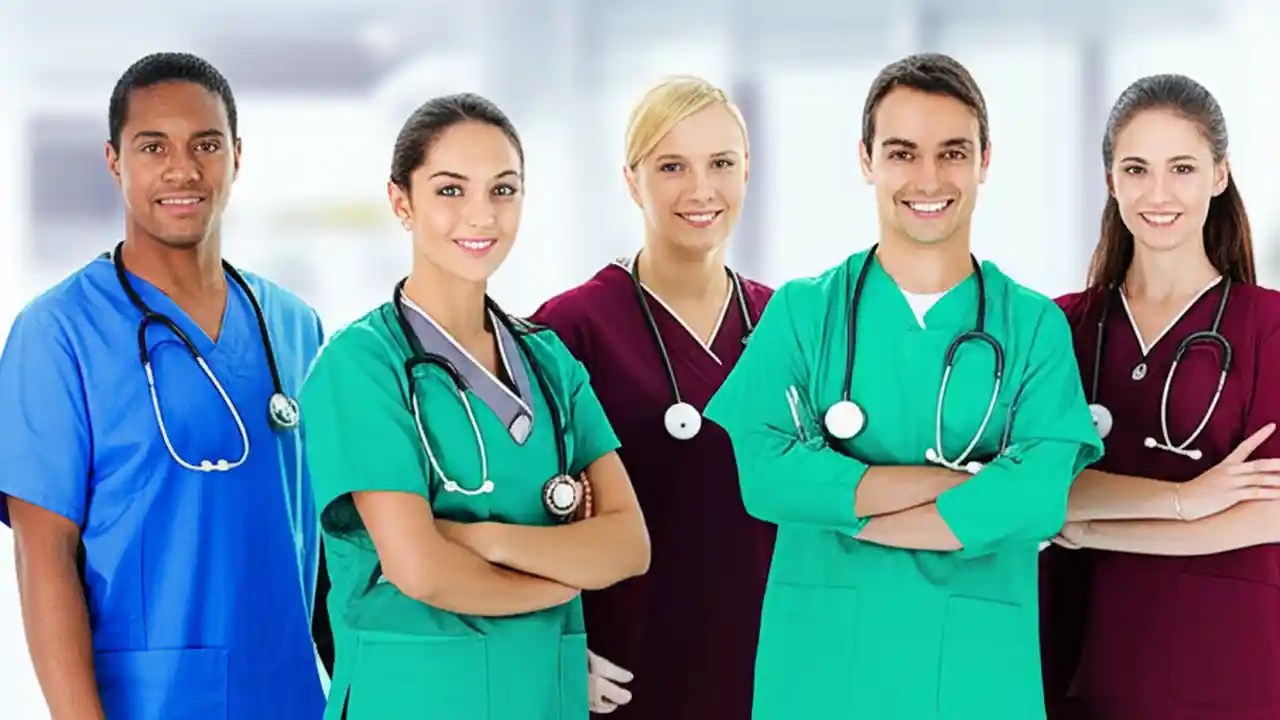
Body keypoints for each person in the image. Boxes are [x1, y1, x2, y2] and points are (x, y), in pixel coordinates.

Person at [703, 52, 1105, 720]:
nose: (927, 177)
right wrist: (965, 489)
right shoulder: (805, 312)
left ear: (984, 161)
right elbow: (766, 478)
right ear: (866, 161)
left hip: (975, 676)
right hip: (823, 673)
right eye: (901, 152)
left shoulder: (1033, 326)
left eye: (952, 152)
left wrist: (846, 512)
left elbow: (1036, 501)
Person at [299, 92, 651, 720]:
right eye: (450, 190)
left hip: (543, 695)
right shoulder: (360, 365)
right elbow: (421, 570)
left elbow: (627, 546)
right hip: (415, 697)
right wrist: (565, 576)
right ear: (401, 202)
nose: (481, 215)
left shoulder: (549, 363)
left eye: (503, 189)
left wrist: (474, 536)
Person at [0, 53, 326, 720]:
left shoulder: (294, 325)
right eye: (154, 147)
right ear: (115, 160)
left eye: (205, 144)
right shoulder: (58, 333)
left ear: (236, 156)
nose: (184, 169)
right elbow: (43, 557)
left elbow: (330, 537)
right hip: (148, 704)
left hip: (294, 697)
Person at [530, 76, 775, 718]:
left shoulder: (784, 327)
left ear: (747, 171)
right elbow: (521, 512)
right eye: (672, 166)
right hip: (627, 678)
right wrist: (552, 644)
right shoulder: (570, 330)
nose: (701, 190)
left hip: (770, 671)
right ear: (632, 180)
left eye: (720, 163)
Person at [1040, 73, 1280, 720]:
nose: (1159, 193)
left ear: (1220, 175)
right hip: (1080, 661)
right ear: (1111, 180)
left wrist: (1093, 526)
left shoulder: (1268, 327)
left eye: (1182, 167)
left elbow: (1269, 513)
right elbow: (1041, 490)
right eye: (1137, 168)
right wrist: (1188, 500)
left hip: (1226, 669)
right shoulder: (1060, 329)